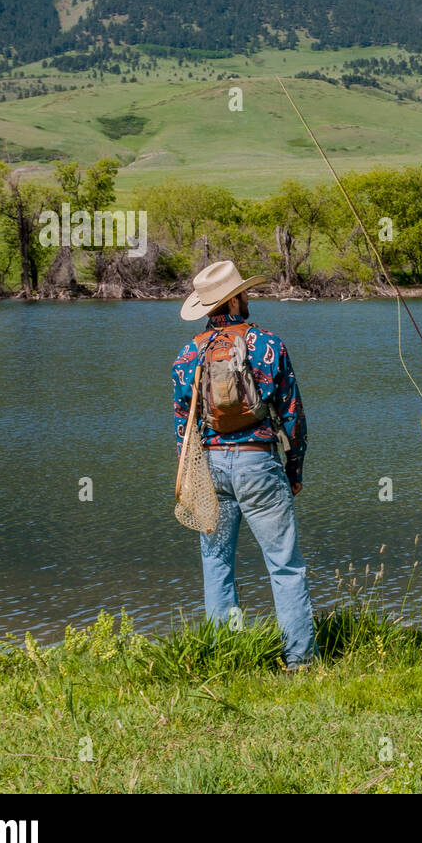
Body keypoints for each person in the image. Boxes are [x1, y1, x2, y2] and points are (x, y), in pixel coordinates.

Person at [171, 260, 315, 669]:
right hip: (259, 463)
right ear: (234, 299)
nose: (248, 297)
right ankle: (299, 661)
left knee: (217, 565)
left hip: (211, 468)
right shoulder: (269, 345)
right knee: (284, 566)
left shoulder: (187, 354)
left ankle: (228, 656)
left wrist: (189, 479)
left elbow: (183, 429)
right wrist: (295, 470)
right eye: (244, 293)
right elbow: (293, 416)